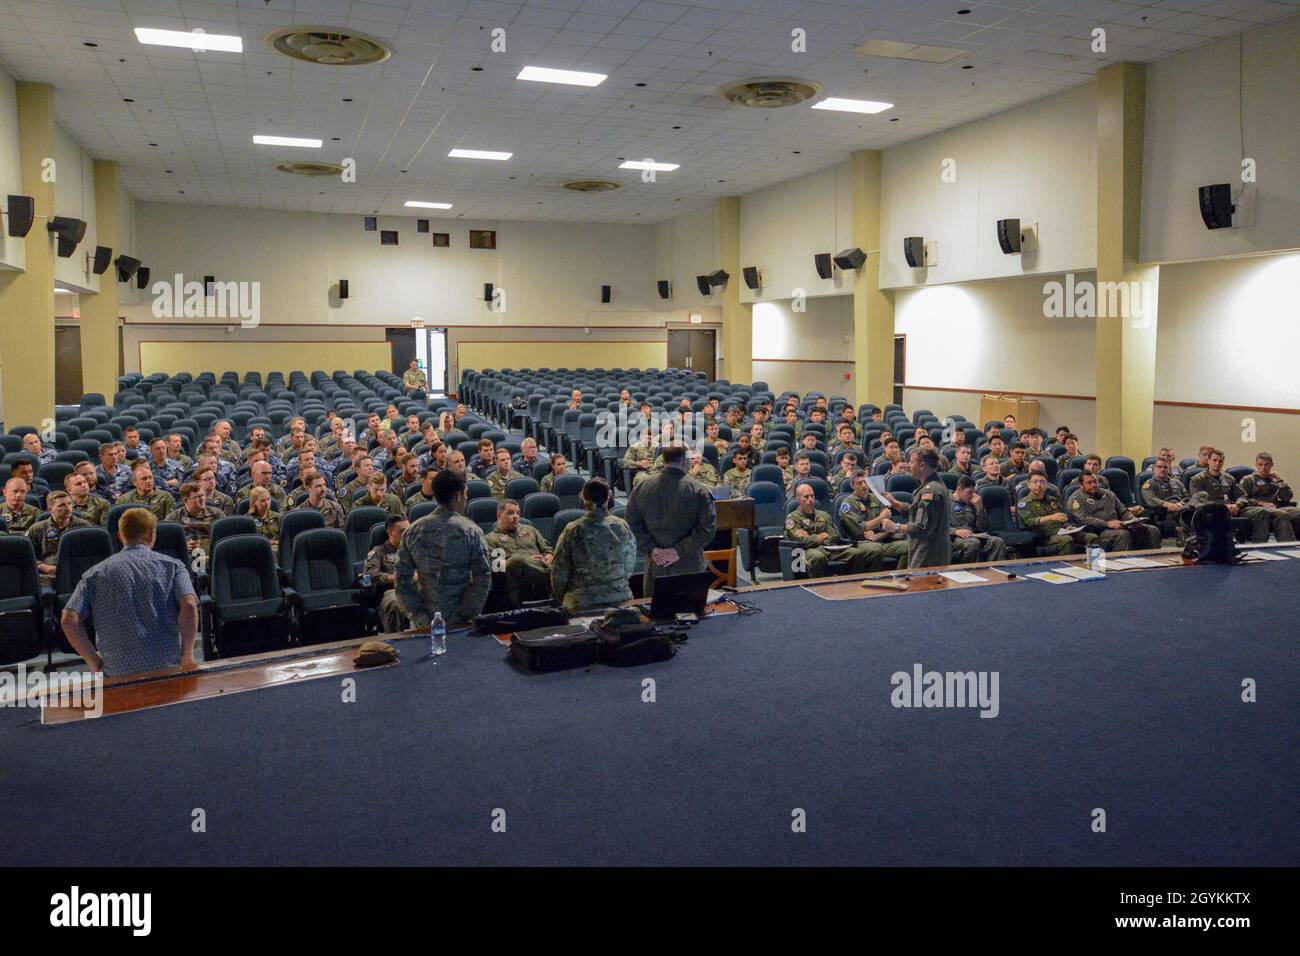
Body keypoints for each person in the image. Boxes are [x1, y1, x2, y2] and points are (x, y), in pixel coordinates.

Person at [60, 508, 198, 677]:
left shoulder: (94, 574)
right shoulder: (173, 566)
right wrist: (188, 654)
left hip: (117, 673)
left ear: (120, 536)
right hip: (168, 667)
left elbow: (68, 619)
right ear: (151, 535)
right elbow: (190, 605)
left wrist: (93, 659)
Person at [395, 469, 491, 629]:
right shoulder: (471, 531)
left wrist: (419, 617)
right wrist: (464, 614)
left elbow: (402, 580)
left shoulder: (412, 531)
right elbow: (482, 576)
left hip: (423, 624)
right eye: (465, 494)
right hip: (462, 623)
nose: (466, 498)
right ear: (458, 496)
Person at [624, 445, 717, 598]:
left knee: (655, 615)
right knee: (690, 614)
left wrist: (653, 549)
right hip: (689, 564)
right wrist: (678, 551)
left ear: (664, 461)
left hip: (656, 563)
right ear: (685, 462)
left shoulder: (642, 487)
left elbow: (631, 525)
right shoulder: (698, 490)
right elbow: (707, 529)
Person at [550, 478, 637, 613]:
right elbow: (629, 565)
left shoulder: (573, 529)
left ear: (584, 499)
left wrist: (563, 597)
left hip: (581, 602)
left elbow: (559, 573)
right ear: (608, 499)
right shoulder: (621, 526)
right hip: (620, 599)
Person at [786, 481, 872, 577]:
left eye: (812, 496)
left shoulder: (824, 515)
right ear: (798, 499)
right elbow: (800, 541)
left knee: (856, 553)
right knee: (818, 557)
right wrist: (821, 536)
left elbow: (835, 536)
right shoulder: (792, 518)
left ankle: (854, 585)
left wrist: (813, 538)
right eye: (806, 497)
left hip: (828, 548)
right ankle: (821, 587)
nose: (810, 500)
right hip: (808, 551)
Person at [888, 447, 950, 569]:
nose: (908, 465)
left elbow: (922, 528)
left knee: (919, 586)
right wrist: (897, 504)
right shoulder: (933, 485)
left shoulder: (931, 491)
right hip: (930, 550)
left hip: (928, 554)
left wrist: (895, 527)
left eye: (911, 461)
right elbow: (920, 512)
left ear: (922, 465)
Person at [1068, 471, 1160, 552]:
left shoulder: (1109, 494)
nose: (1094, 485)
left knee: (1152, 530)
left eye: (1095, 481)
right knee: (1123, 534)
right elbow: (1083, 519)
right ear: (1081, 485)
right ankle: (1120, 564)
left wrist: (1133, 520)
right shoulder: (1076, 499)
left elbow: (1122, 511)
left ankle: (1151, 562)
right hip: (1098, 531)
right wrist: (1107, 524)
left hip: (1119, 525)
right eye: (1089, 483)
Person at [485, 499, 554, 605]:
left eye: (518, 513)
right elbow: (497, 567)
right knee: (518, 559)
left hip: (539, 580)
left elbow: (548, 551)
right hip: (514, 582)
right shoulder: (491, 538)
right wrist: (525, 561)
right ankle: (555, 575)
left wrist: (546, 560)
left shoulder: (530, 530)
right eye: (511, 513)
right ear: (499, 515)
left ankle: (551, 575)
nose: (516, 516)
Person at [1189, 449, 1267, 542]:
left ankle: (1258, 546)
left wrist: (1238, 505)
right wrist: (1224, 507)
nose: (1217, 463)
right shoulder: (1198, 479)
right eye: (1214, 460)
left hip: (1233, 510)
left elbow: (1242, 495)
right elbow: (1199, 501)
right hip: (1213, 512)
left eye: (1220, 461)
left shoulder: (1229, 478)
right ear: (1208, 461)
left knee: (1261, 512)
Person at [837, 471, 908, 569]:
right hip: (859, 543)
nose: (864, 486)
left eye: (866, 482)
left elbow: (889, 526)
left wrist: (878, 536)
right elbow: (860, 528)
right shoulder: (848, 504)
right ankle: (873, 579)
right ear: (852, 485)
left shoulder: (876, 498)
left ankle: (898, 578)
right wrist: (881, 518)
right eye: (860, 483)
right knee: (875, 549)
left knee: (908, 547)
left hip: (881, 541)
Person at [26, 491, 89, 586]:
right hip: (48, 575)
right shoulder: (37, 529)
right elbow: (28, 555)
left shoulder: (84, 526)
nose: (68, 508)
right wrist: (40, 565)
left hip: (76, 571)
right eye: (61, 505)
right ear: (50, 509)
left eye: (69, 503)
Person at [1238, 452, 1300, 542]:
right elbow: (1241, 498)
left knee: (1297, 512)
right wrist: (1261, 503)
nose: (1263, 468)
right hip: (1255, 508)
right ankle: (1288, 545)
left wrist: (1280, 481)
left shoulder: (1274, 480)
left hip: (1275, 507)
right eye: (1260, 465)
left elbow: (1286, 498)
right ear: (1256, 465)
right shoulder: (1248, 479)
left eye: (1267, 465)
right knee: (1281, 514)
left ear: (1271, 465)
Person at [948, 476, 1010, 563]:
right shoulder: (945, 502)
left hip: (971, 535)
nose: (971, 496)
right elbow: (937, 526)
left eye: (973, 493)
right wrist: (955, 531)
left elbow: (985, 527)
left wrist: (980, 509)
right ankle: (971, 572)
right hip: (953, 538)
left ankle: (995, 571)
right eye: (969, 493)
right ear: (959, 490)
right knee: (973, 543)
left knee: (997, 541)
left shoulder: (972, 503)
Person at [366, 515, 410, 633]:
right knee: (395, 603)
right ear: (390, 532)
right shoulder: (379, 551)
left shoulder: (415, 549)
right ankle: (396, 642)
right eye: (402, 531)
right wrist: (398, 578)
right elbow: (370, 575)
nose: (407, 534)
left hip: (415, 588)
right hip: (391, 591)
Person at [1019, 473, 1079, 554]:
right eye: (1035, 482)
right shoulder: (1023, 503)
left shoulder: (1052, 500)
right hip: (1043, 536)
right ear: (1029, 484)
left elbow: (1062, 518)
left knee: (1090, 537)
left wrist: (1068, 526)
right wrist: (1051, 517)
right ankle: (1065, 565)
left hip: (1061, 531)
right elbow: (1029, 521)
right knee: (1066, 540)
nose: (1039, 485)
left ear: (1046, 484)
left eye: (1042, 482)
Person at [1140, 457, 1191, 542]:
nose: (1162, 469)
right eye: (1159, 467)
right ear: (1154, 469)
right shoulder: (1149, 484)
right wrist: (1167, 505)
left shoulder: (1177, 483)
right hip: (1163, 514)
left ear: (1169, 469)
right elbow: (1151, 499)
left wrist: (1181, 504)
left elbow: (1186, 497)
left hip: (1180, 511)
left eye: (1165, 467)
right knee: (1170, 524)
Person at [165, 481, 222, 556]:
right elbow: (166, 542)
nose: (202, 499)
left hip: (212, 553)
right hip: (186, 555)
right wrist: (182, 546)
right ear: (186, 500)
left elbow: (224, 538)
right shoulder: (173, 518)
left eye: (202, 495)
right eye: (197, 497)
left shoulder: (216, 514)